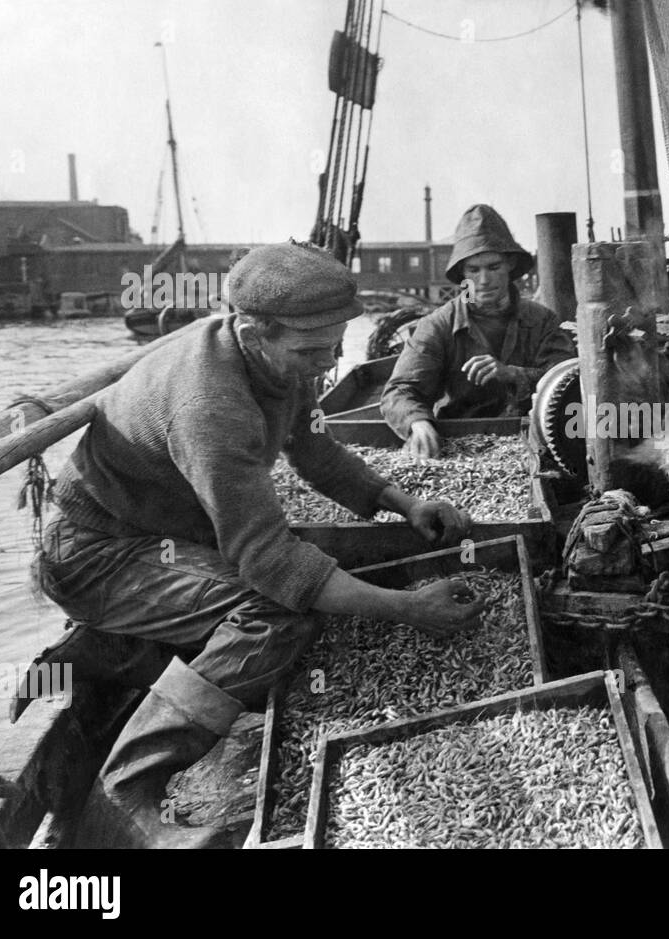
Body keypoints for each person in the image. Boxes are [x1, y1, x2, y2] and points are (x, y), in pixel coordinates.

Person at [32, 241, 484, 849]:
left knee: (305, 587)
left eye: (334, 346)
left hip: (161, 533)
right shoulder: (210, 406)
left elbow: (313, 446)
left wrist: (403, 502)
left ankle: (134, 654)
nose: (325, 364)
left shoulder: (274, 362)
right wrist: (408, 608)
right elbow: (269, 561)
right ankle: (125, 796)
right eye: (309, 351)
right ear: (250, 331)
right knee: (274, 616)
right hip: (96, 554)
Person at [379, 204, 575, 457]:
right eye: (474, 270)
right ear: (462, 273)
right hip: (458, 441)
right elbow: (400, 390)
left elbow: (566, 381)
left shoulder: (542, 320)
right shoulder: (438, 325)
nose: (483, 280)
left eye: (493, 267)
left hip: (533, 437)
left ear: (510, 265)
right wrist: (417, 423)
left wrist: (511, 374)